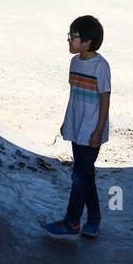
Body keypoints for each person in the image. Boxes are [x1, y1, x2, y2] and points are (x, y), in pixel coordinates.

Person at [44, 15, 111, 240]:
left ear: (87, 42)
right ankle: (93, 219)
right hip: (76, 127)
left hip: (92, 131)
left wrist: (99, 130)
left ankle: (72, 221)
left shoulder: (101, 67)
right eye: (70, 36)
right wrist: (66, 122)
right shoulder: (74, 62)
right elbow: (74, 96)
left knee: (79, 175)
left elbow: (105, 100)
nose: (69, 40)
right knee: (85, 174)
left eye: (73, 37)